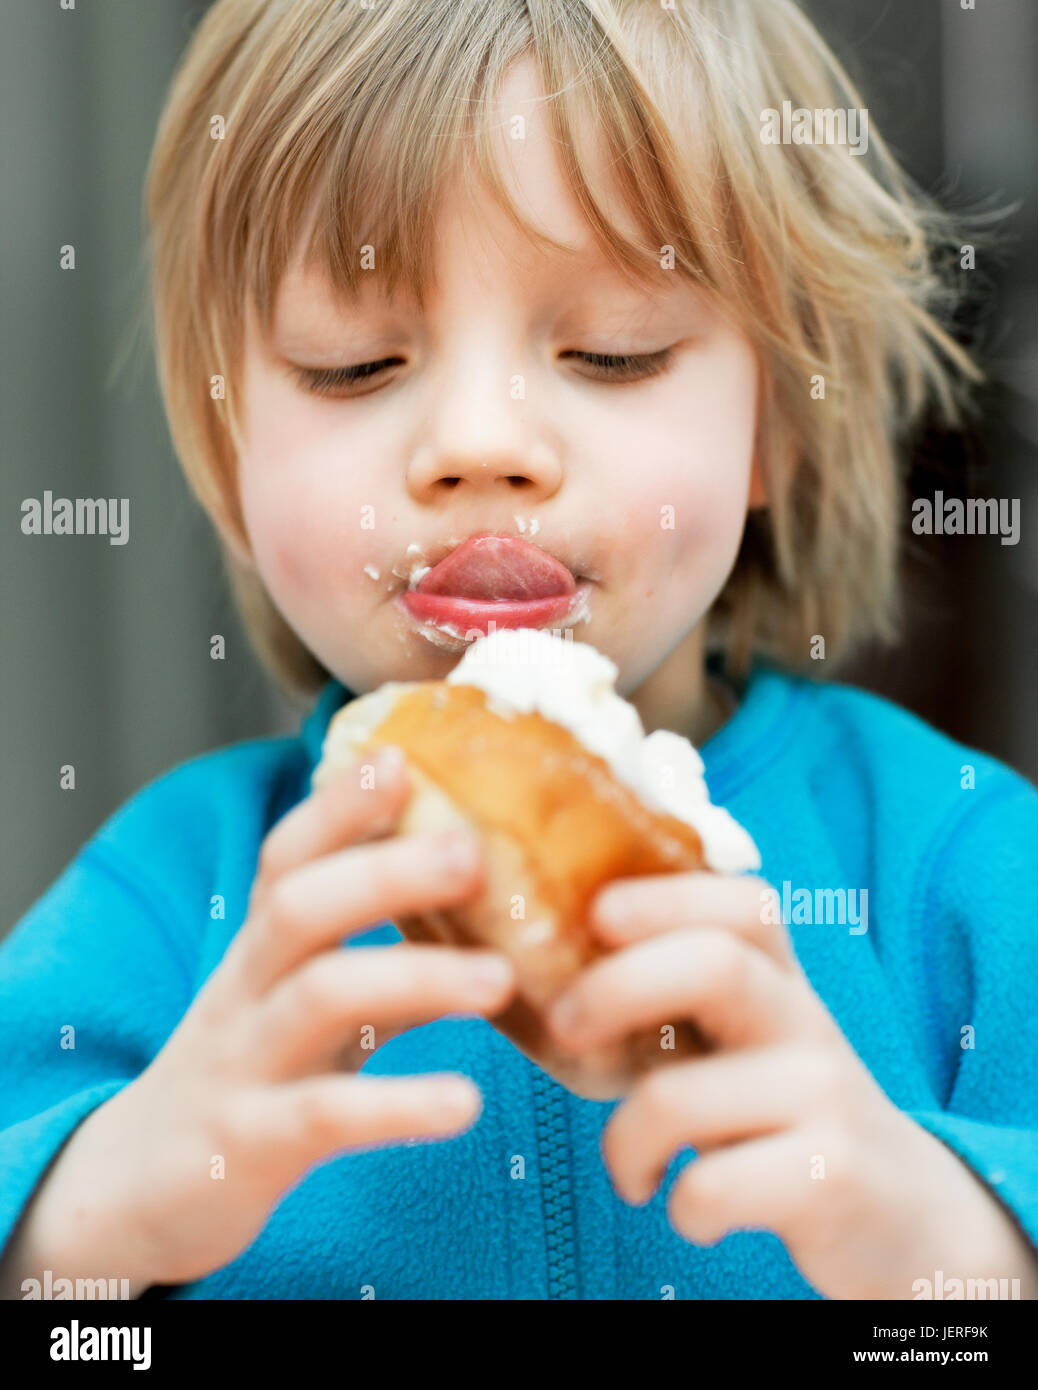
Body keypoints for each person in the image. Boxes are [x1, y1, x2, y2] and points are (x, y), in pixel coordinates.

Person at [2, 0, 1035, 1301]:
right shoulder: (166, 905)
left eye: (615, 352)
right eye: (353, 363)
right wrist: (97, 1211)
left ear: (773, 419)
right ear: (225, 461)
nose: (480, 443)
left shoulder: (966, 871)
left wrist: (946, 1245)